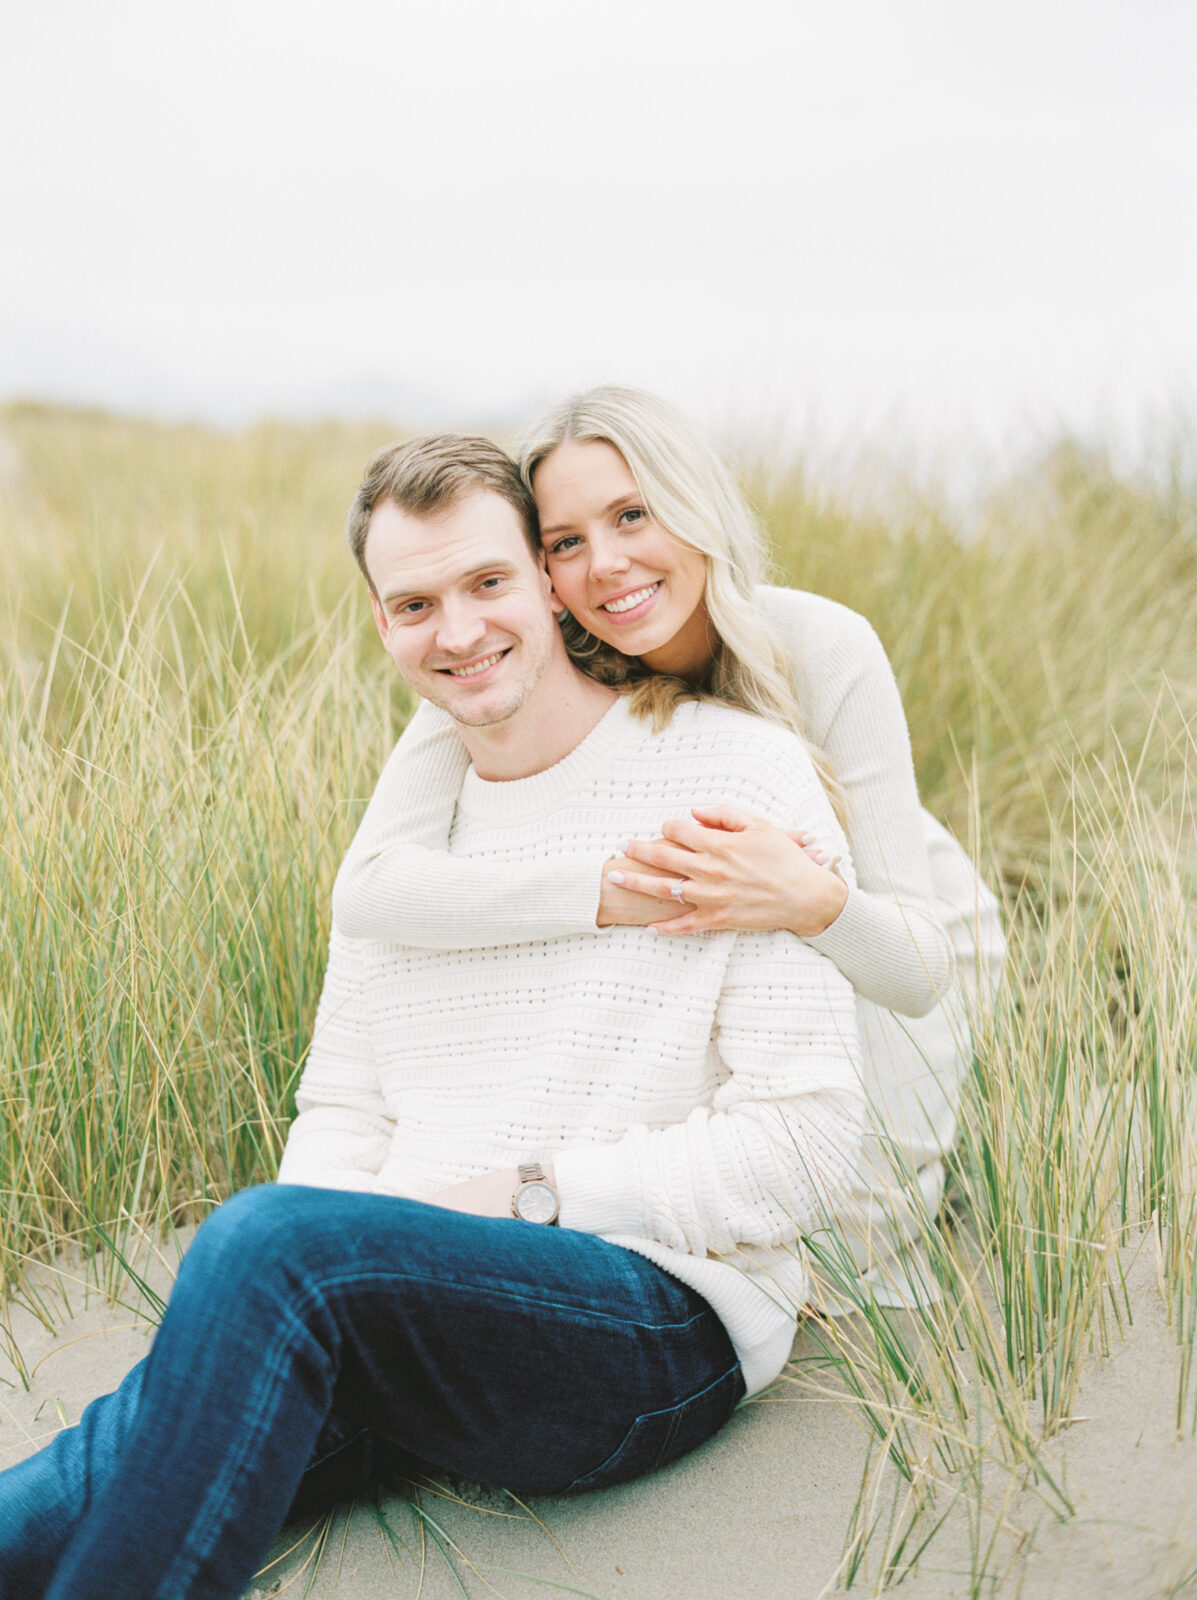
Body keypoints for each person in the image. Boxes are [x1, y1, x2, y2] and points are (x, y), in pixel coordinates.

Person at [0, 434, 865, 1600]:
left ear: (551, 583)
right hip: (386, 1308)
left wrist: (529, 1193)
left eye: (487, 582)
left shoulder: (736, 778)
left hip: (652, 1318)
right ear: (380, 621)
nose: (456, 632)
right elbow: (342, 1108)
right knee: (81, 1480)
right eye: (415, 604)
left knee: (267, 1250)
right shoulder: (399, 847)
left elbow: (810, 1144)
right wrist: (341, 1246)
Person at [333, 387, 1006, 1306]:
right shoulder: (513, 655)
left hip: (893, 910)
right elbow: (371, 891)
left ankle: (953, 1182)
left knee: (859, 1256)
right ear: (541, 568)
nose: (606, 565)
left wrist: (813, 901)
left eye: (631, 516)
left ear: (693, 506)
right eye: (566, 542)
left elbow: (918, 971)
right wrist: (608, 891)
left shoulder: (820, 645)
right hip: (739, 908)